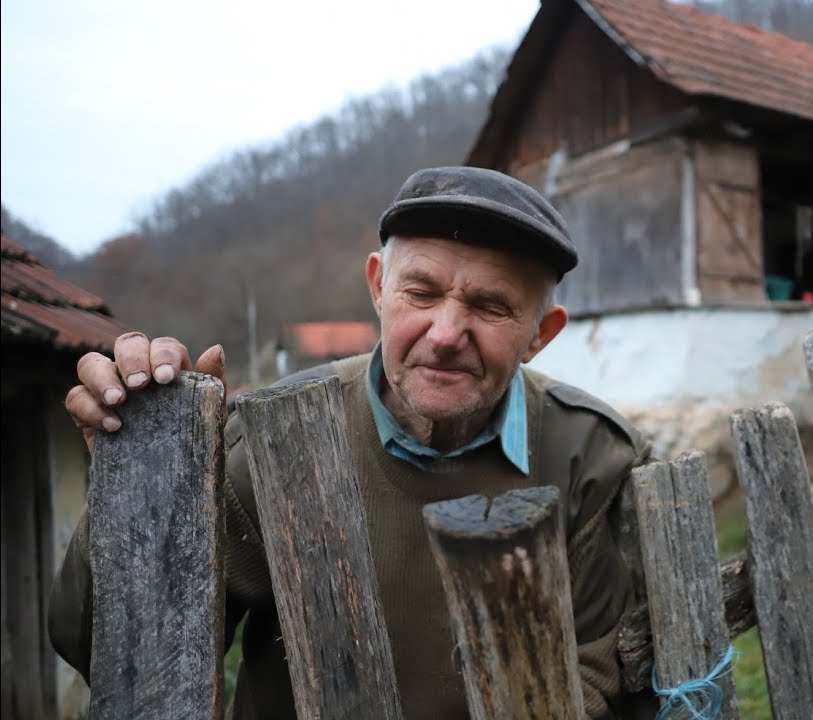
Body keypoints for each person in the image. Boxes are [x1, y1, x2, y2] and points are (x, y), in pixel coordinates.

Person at [50, 167, 651, 718]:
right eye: (420, 293)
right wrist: (141, 485)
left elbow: (601, 679)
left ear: (539, 335)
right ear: (378, 288)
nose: (445, 334)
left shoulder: (592, 458)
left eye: (490, 306)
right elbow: (105, 646)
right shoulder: (277, 433)